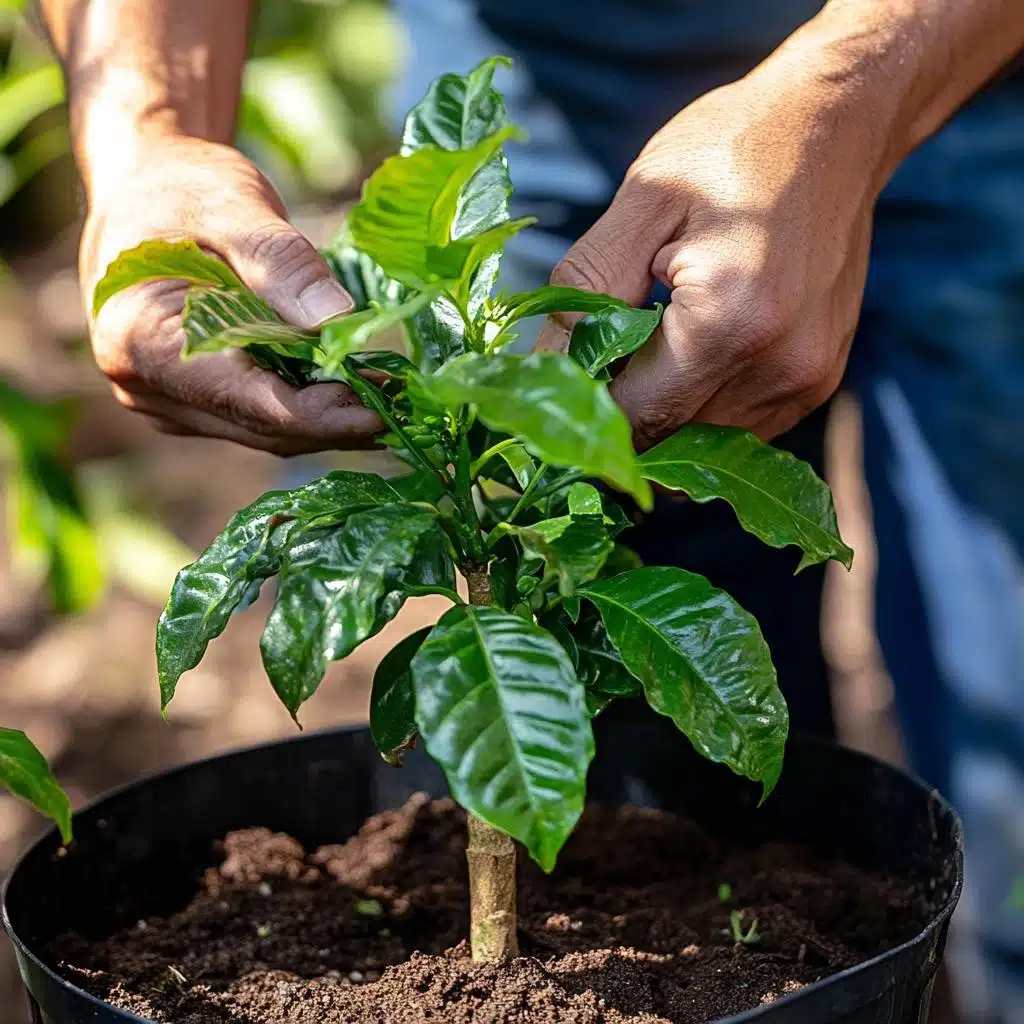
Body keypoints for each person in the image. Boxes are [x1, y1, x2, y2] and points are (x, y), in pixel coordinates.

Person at [39, 1, 1024, 1019]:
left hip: (973, 73)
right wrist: (146, 137)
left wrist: (845, 92)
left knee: (1011, 726)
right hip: (550, 85)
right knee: (669, 813)